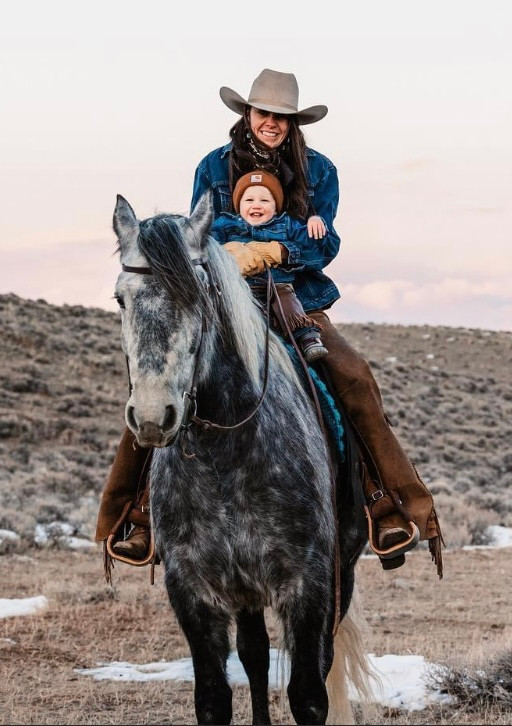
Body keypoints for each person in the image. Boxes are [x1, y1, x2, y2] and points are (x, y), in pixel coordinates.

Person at [96, 68, 443, 575]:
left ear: (293, 121)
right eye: (264, 113)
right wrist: (232, 255)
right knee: (160, 378)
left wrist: (278, 248)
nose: (272, 124)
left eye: (282, 117)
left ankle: (389, 503)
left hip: (293, 298)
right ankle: (134, 515)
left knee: (352, 375)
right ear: (248, 114)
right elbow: (196, 238)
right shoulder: (212, 166)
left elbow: (325, 242)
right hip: (219, 301)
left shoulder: (319, 170)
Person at [214, 169, 329, 362]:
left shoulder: (286, 224)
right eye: (249, 200)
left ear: (276, 207)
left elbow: (309, 245)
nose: (256, 205)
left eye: (265, 201)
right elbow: (208, 242)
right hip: (238, 287)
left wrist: (314, 219)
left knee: (288, 305)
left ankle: (307, 338)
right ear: (238, 205)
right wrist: (226, 250)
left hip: (276, 285)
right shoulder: (225, 223)